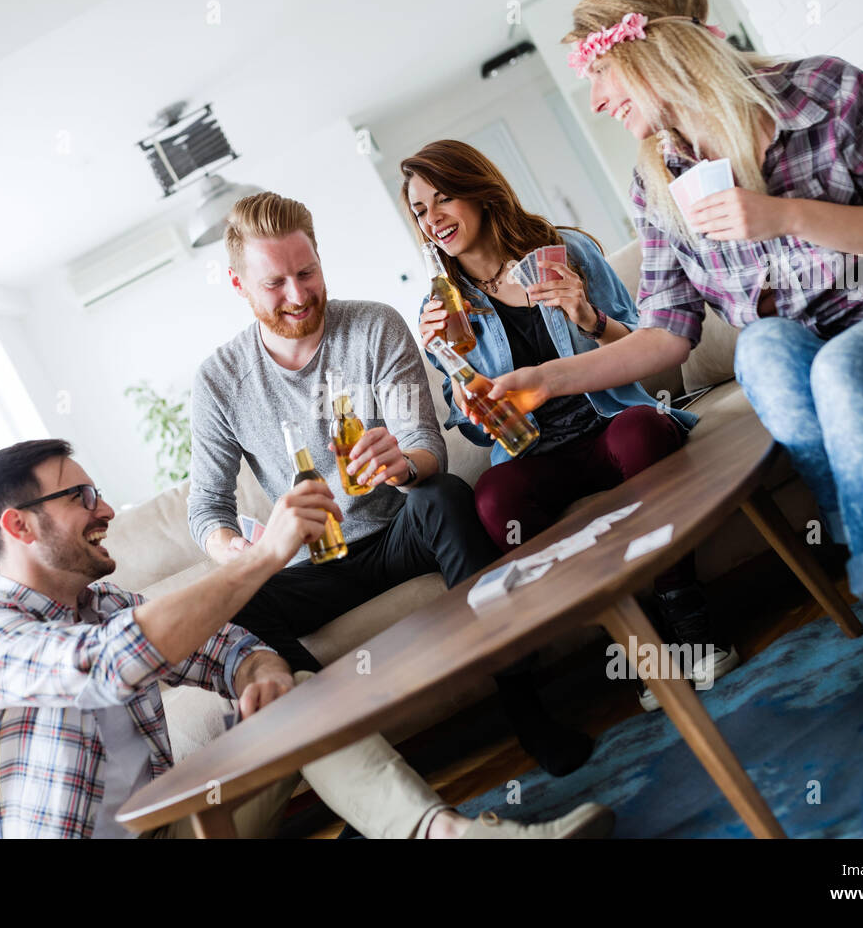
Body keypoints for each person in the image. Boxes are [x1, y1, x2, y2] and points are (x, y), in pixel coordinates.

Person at [477, 0, 863, 837]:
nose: (598, 103)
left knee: (839, 374)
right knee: (761, 348)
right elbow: (668, 336)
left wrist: (781, 214)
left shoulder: (825, 91)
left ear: (644, 55)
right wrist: (541, 381)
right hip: (811, 345)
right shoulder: (658, 185)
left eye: (599, 79)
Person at [0, 438, 614, 839]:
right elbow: (108, 665)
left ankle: (446, 835)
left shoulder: (104, 602)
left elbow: (225, 646)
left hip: (176, 830)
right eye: (81, 497)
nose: (106, 509)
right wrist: (263, 557)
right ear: (20, 528)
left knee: (299, 693)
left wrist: (259, 671)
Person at [187, 191, 591, 777]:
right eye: (275, 284)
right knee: (231, 604)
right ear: (239, 286)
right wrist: (238, 551)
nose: (298, 296)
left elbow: (428, 450)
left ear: (320, 259)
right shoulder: (219, 380)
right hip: (310, 568)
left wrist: (402, 463)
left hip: (397, 533)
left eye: (307, 272)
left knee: (444, 498)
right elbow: (207, 507)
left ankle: (530, 713)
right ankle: (361, 766)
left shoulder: (373, 326)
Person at [402, 139, 739, 717]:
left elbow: (653, 348)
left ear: (480, 191)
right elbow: (477, 434)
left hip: (607, 424)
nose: (433, 220)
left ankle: (688, 616)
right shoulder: (442, 310)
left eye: (444, 198)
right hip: (535, 456)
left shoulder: (567, 251)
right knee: (493, 498)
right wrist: (466, 395)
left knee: (642, 430)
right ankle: (642, 641)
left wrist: (590, 317)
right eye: (419, 211)